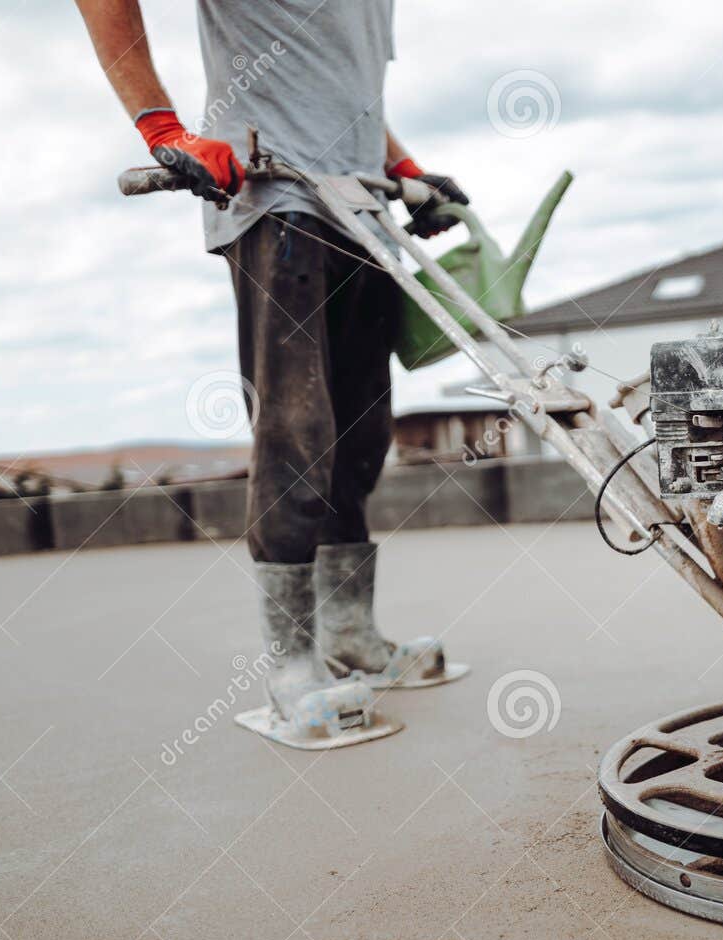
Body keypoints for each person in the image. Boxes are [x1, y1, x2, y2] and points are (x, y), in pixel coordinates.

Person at [75, 1, 470, 746]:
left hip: (363, 206)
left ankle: (352, 633)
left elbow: (335, 82)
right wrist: (162, 126)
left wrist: (402, 166)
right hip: (275, 194)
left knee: (361, 431)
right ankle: (291, 664)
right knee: (298, 423)